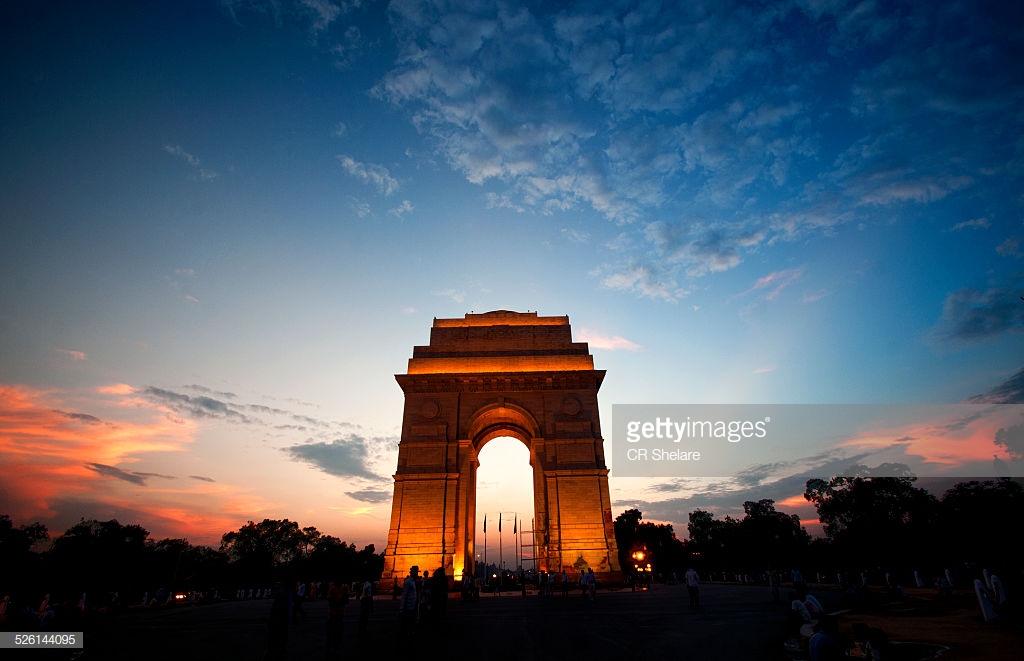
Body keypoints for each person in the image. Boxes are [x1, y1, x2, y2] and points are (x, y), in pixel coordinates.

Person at [326, 580, 349, 658]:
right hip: (334, 614)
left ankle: (335, 647)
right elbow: (330, 601)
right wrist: (340, 601)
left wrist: (340, 601)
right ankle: (332, 648)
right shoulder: (332, 589)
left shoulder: (343, 588)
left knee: (337, 632)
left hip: (339, 613)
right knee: (333, 632)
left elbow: (346, 600)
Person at [399, 566, 418, 633]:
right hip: (408, 607)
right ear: (412, 573)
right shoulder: (408, 582)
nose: (417, 574)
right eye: (416, 572)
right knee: (407, 623)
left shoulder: (413, 581)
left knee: (411, 623)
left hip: (413, 606)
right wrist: (402, 609)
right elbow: (404, 595)